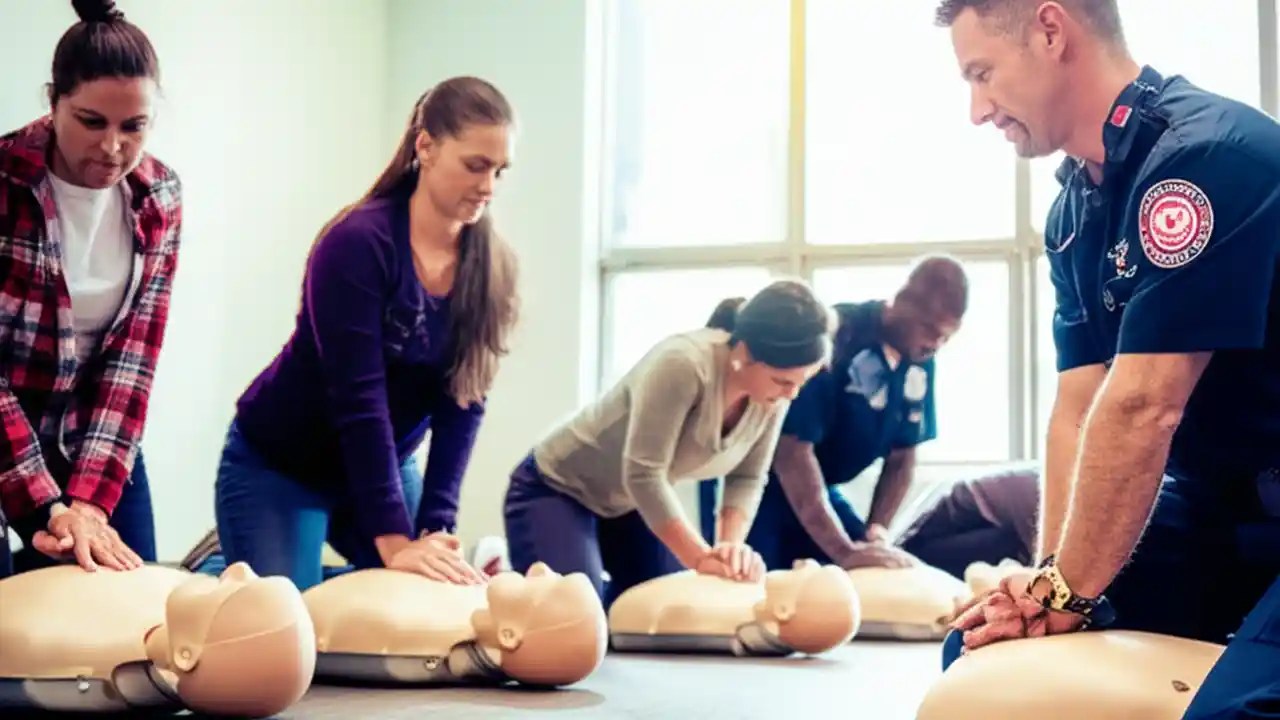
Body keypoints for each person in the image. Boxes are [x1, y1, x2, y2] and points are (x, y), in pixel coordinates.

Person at [935, 0, 1280, 694]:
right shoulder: (1074, 212)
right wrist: (1043, 587)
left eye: (983, 74)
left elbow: (1144, 406)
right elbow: (1078, 408)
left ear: (1051, 30)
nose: (977, 109)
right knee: (990, 659)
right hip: (1224, 510)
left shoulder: (1207, 156)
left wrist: (1068, 591)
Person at [213, 76, 519, 592]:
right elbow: (359, 398)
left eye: (499, 171)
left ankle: (325, 570)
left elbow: (464, 405)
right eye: (475, 165)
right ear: (425, 146)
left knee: (433, 599)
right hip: (282, 464)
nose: (488, 186)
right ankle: (219, 573)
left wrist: (434, 530)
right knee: (285, 627)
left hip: (384, 466)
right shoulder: (356, 243)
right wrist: (394, 541)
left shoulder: (491, 267)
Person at [504, 280, 835, 608]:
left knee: (671, 612)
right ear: (745, 353)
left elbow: (747, 478)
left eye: (800, 382)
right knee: (576, 617)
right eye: (783, 381)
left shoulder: (774, 396)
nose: (792, 394)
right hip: (556, 488)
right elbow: (644, 474)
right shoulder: (684, 363)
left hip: (627, 506)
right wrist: (700, 558)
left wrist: (728, 550)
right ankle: (504, 590)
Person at [0, 0, 181, 576]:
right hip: (6, 418)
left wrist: (87, 504)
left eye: (134, 127)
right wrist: (46, 507)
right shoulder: (4, 184)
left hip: (86, 429)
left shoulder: (160, 198)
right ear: (53, 102)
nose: (112, 148)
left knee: (130, 612)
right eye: (90, 121)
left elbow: (132, 364)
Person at [732, 256, 968, 573]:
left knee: (875, 567)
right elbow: (791, 453)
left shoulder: (921, 358)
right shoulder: (837, 334)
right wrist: (842, 550)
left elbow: (902, 457)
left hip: (823, 488)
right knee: (755, 582)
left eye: (946, 337)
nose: (935, 344)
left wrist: (876, 533)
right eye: (929, 329)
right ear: (900, 302)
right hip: (762, 482)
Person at [895, 464, 1040, 579]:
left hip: (949, 526)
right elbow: (1043, 559)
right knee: (1017, 553)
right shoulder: (1045, 488)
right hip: (928, 541)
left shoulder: (1042, 475)